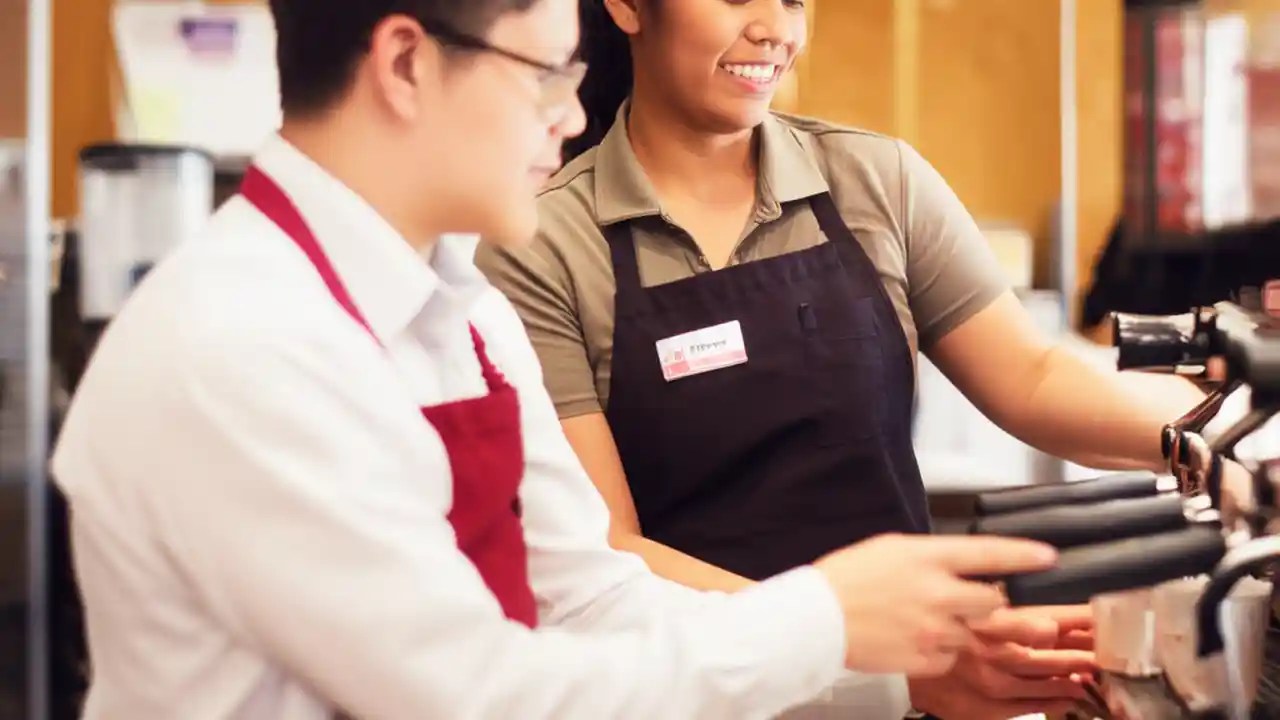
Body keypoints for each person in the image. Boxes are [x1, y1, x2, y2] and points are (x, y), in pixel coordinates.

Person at [49, 1, 1065, 718]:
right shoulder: (242, 345)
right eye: (544, 74)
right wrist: (825, 618)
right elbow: (477, 696)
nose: (573, 117)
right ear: (404, 64)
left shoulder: (461, 313)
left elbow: (592, 594)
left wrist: (892, 665)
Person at [475, 0, 1227, 717]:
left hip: (916, 685)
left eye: (794, 2)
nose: (773, 29)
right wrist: (860, 657)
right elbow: (605, 554)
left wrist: (1226, 436)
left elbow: (1034, 376)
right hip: (711, 695)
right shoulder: (544, 245)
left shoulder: (877, 181)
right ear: (627, 7)